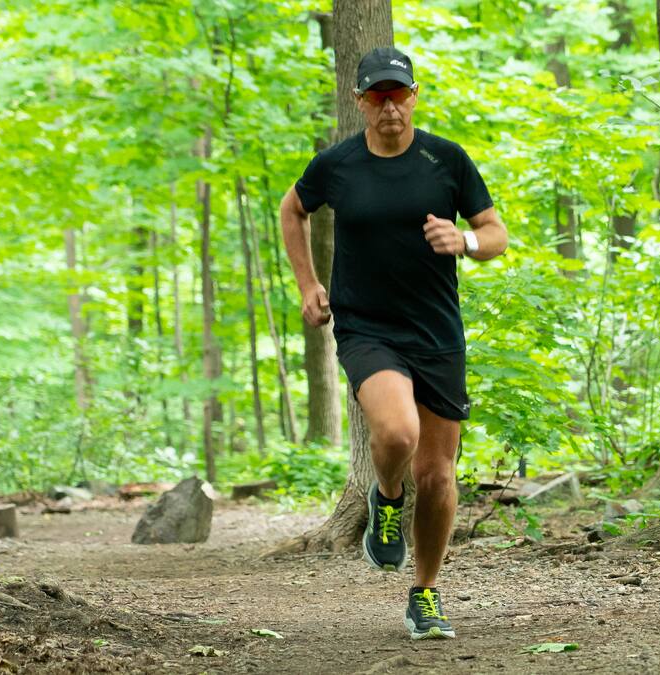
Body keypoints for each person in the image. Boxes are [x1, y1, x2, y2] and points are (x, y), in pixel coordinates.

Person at [279, 46, 508, 640]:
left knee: (437, 475)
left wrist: (465, 242)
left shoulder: (446, 160)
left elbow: (495, 233)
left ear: (413, 97)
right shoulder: (337, 165)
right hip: (367, 325)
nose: (389, 108)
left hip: (436, 332)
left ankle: (425, 594)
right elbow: (292, 208)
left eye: (398, 95)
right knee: (398, 432)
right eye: (377, 97)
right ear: (359, 102)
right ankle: (384, 498)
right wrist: (308, 285)